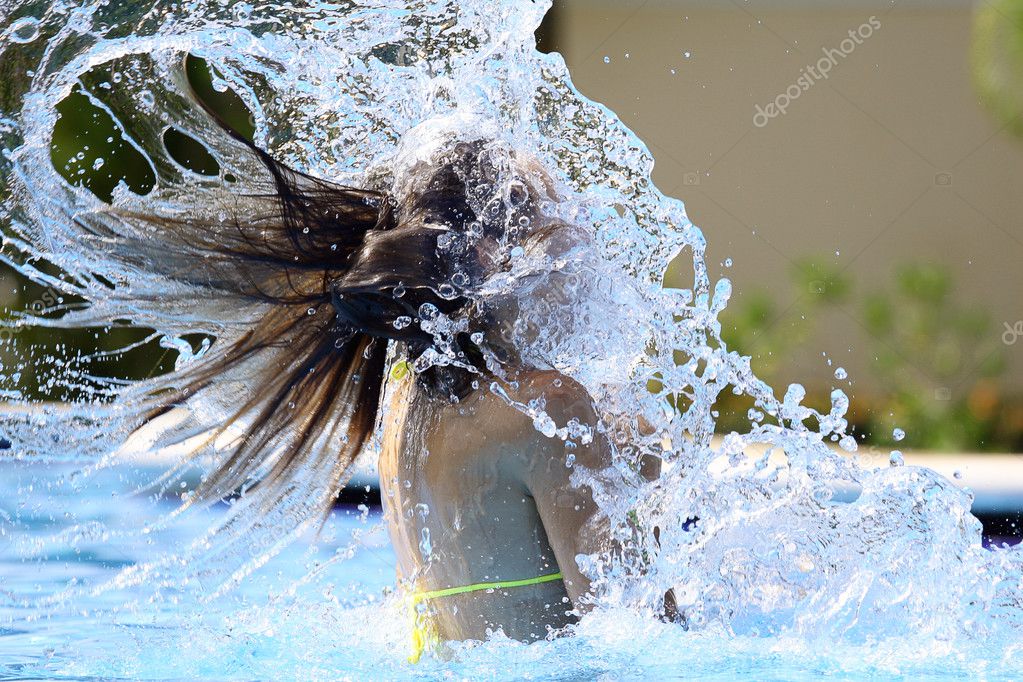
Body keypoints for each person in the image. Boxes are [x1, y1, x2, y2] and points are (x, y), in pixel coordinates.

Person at [118, 119, 631, 661]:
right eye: (553, 227)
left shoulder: (408, 399)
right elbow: (635, 635)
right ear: (489, 257)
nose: (580, 251)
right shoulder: (547, 409)